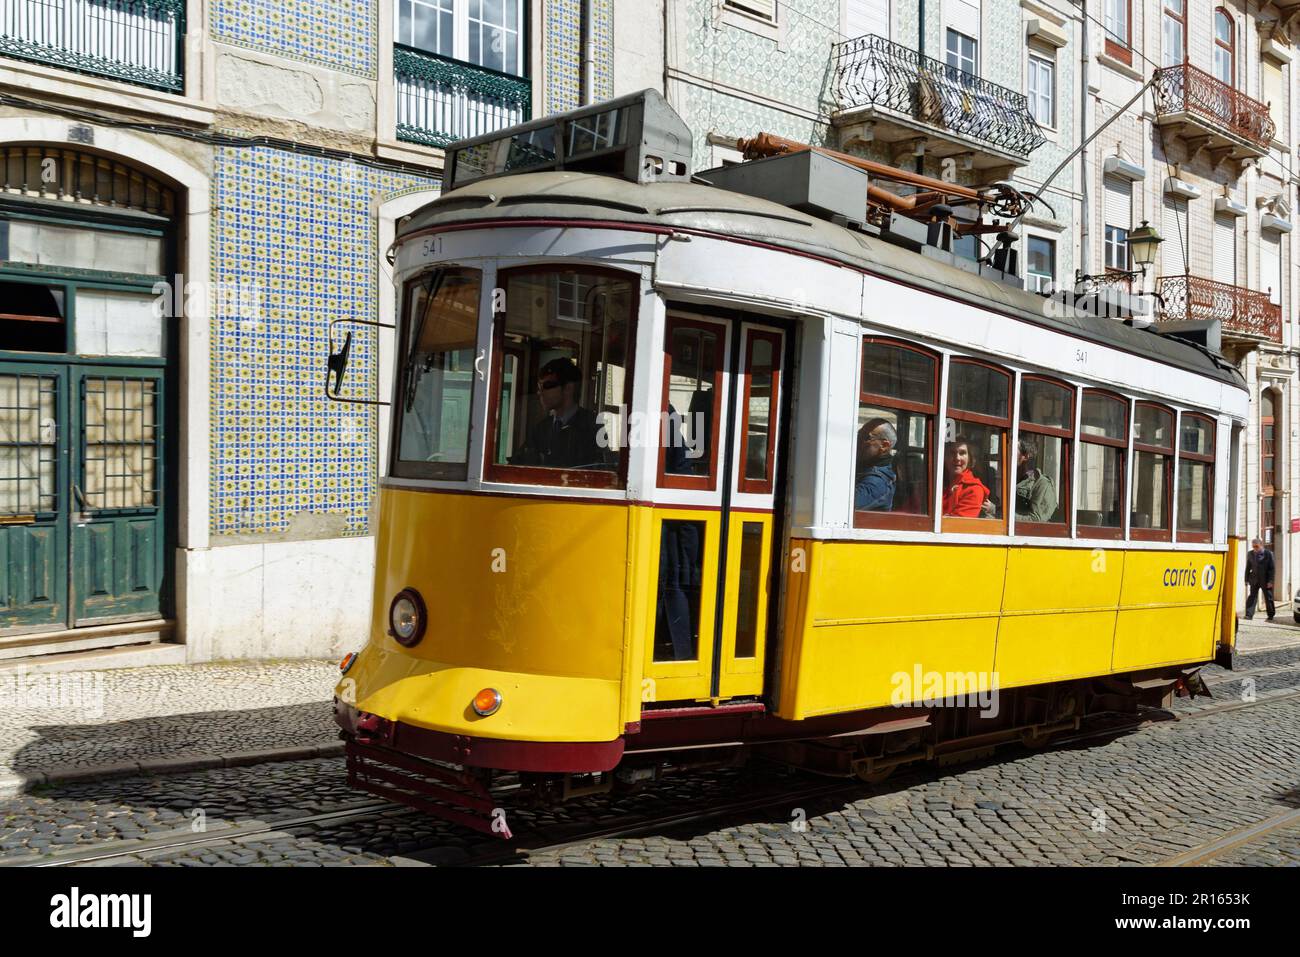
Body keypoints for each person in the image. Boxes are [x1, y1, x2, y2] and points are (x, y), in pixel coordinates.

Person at [510, 357, 606, 469]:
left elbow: (598, 469)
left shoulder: (591, 425)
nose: (540, 393)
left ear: (568, 388)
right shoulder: (541, 428)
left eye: (547, 385)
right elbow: (517, 464)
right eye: (539, 387)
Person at [854, 418, 897, 511]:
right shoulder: (864, 467)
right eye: (858, 435)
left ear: (884, 446)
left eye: (866, 438)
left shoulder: (877, 482)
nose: (857, 441)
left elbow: (841, 505)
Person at [942, 436, 990, 517]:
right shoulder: (937, 482)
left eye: (962, 453)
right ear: (945, 457)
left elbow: (955, 525)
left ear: (969, 459)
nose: (957, 458)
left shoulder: (974, 489)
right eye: (952, 453)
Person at [1014, 438, 1057, 523]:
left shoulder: (1042, 484)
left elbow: (1036, 520)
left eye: (1013, 450)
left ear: (1026, 456)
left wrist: (1000, 513)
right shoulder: (1015, 479)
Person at [1244, 537, 1276, 622]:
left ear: (1261, 545)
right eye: (1253, 546)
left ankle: (1271, 615)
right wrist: (1246, 579)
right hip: (1254, 579)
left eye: (1256, 546)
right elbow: (1248, 567)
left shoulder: (1269, 554)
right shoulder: (1250, 554)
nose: (1255, 548)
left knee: (1268, 597)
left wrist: (1270, 581)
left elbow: (1272, 569)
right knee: (1252, 597)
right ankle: (1249, 615)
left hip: (1265, 580)